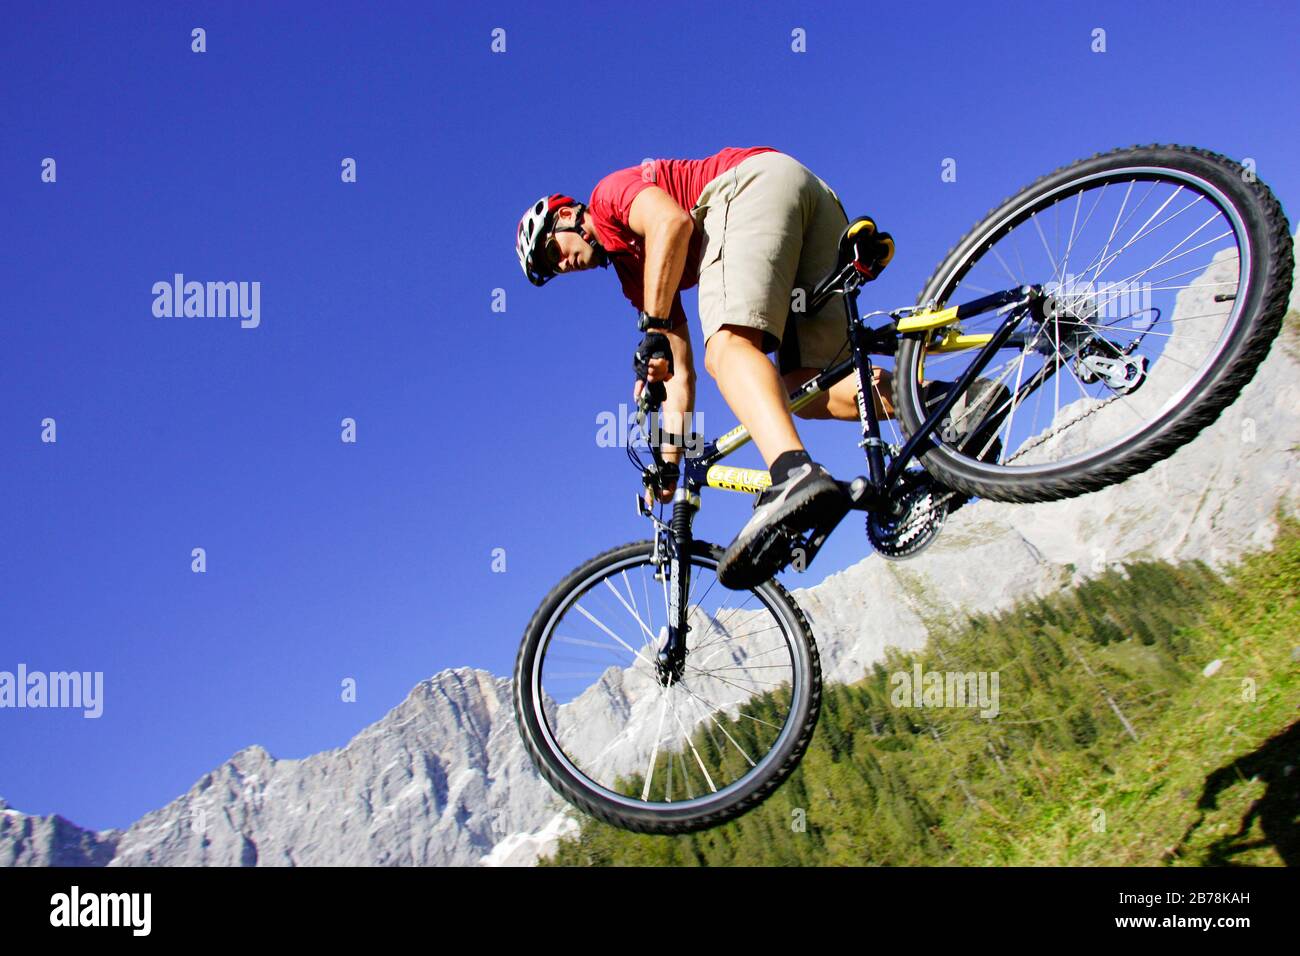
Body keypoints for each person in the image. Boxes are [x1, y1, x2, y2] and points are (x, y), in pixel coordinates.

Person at [515, 147, 898, 588]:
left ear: (565, 214)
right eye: (552, 269)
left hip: (751, 186)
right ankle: (941, 405)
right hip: (810, 205)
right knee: (805, 387)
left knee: (728, 347)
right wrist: (670, 463)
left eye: (551, 250)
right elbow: (681, 374)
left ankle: (794, 473)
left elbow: (671, 223)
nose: (561, 263)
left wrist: (654, 327)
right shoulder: (634, 278)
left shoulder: (607, 197)